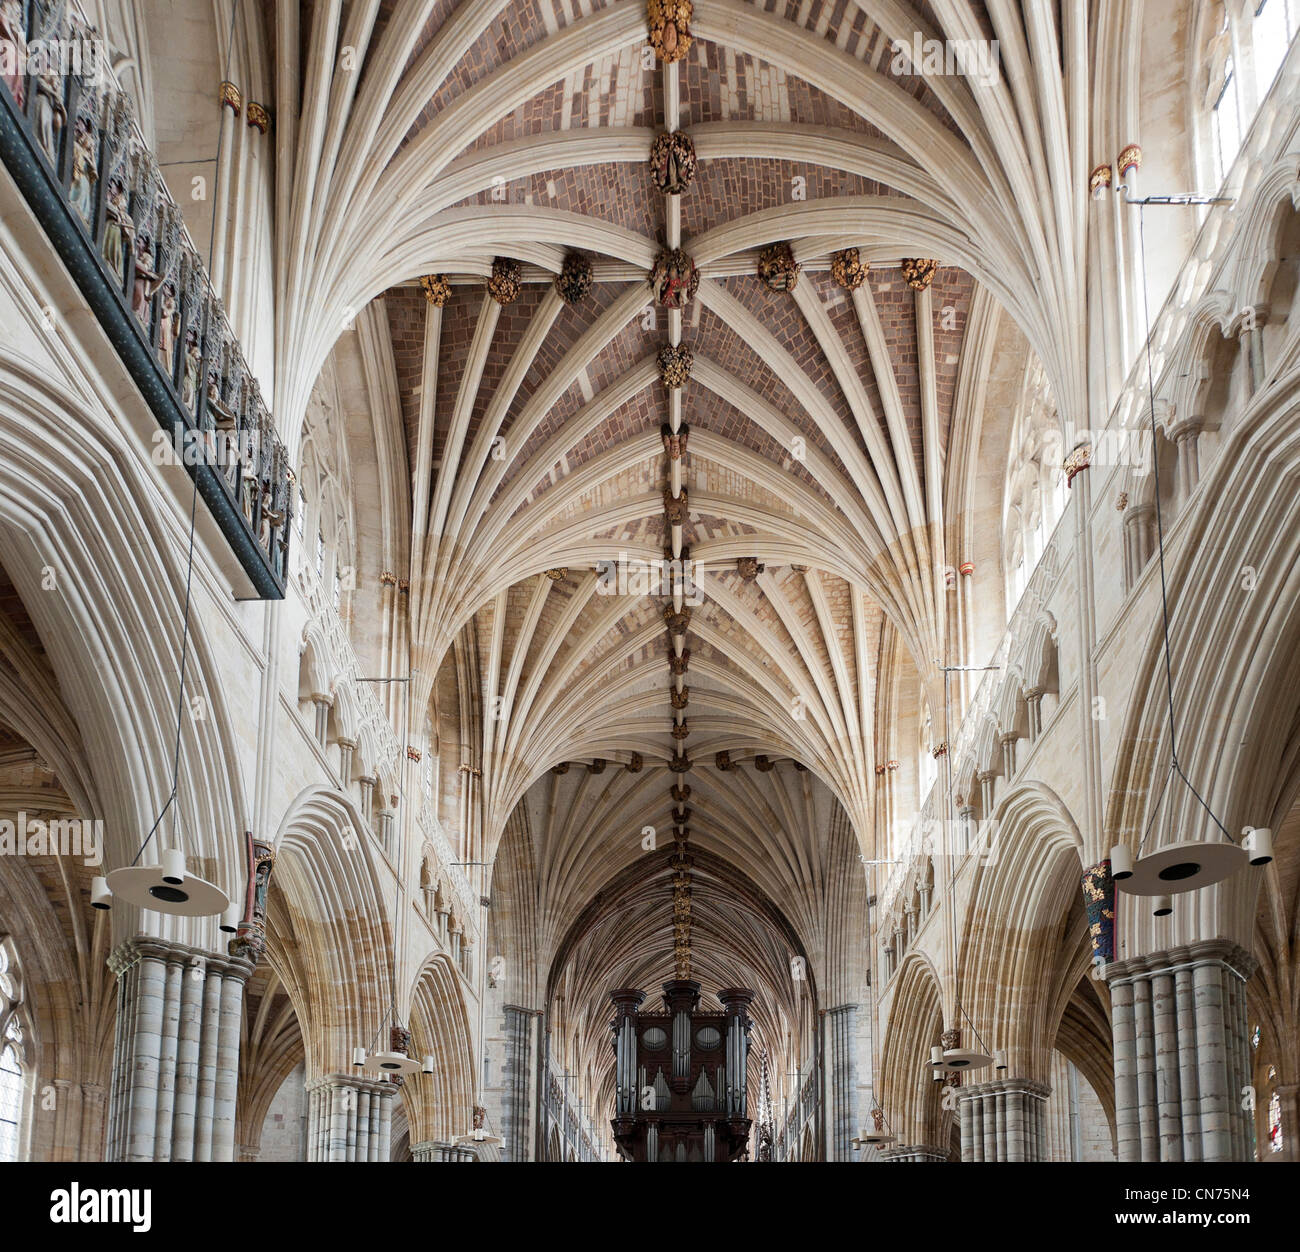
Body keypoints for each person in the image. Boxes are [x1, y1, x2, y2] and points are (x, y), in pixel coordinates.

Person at [0, 0, 27, 108]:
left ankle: (10, 93)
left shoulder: (15, 26)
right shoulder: (3, 13)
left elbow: (25, 51)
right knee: (9, 50)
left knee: (16, 58)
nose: (18, 14)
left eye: (19, 13)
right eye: (17, 11)